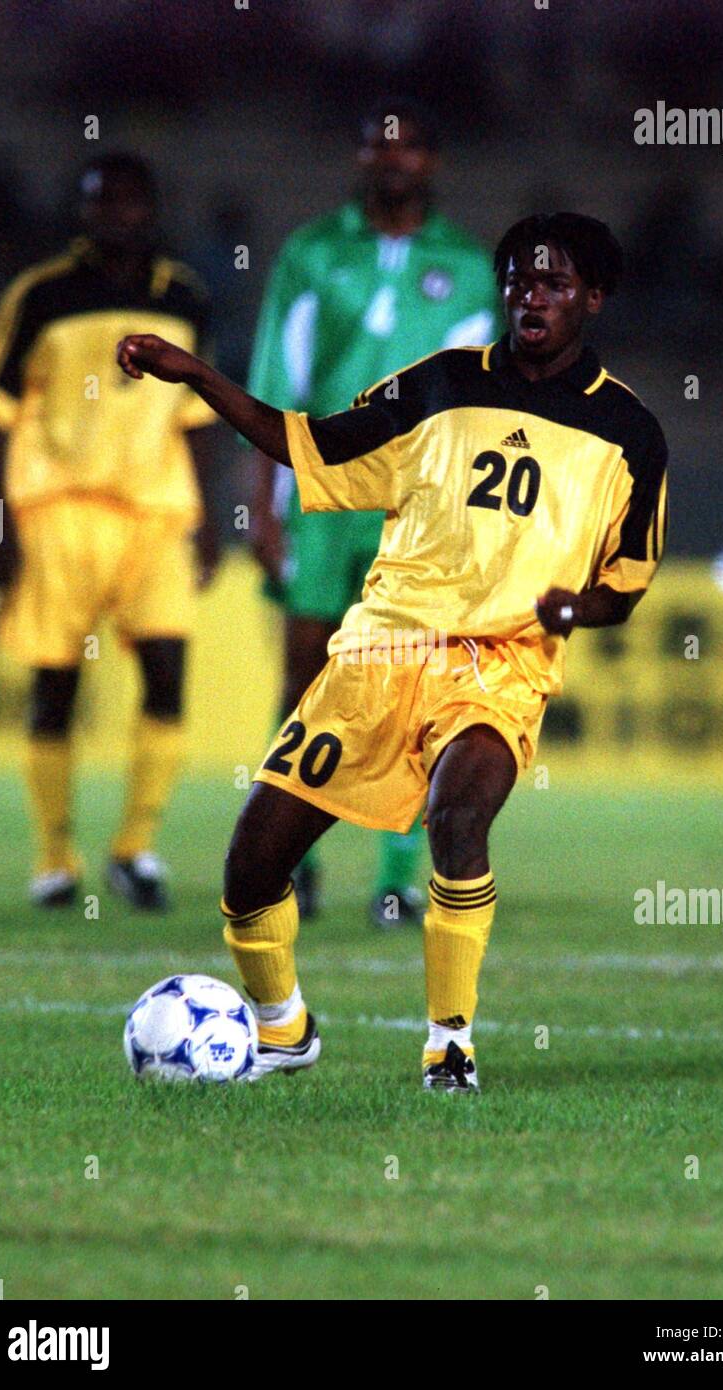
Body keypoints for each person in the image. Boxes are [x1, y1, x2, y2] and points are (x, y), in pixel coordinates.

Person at [116, 212, 669, 1091]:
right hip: (380, 653)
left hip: (501, 662)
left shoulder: (631, 434)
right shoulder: (438, 385)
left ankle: (449, 1044)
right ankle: (283, 1027)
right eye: (519, 282)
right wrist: (195, 376)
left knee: (459, 814)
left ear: (593, 299)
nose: (532, 297)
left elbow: (627, 584)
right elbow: (308, 444)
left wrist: (576, 605)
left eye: (555, 284)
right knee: (252, 868)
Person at [246, 100, 500, 924]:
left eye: (410, 146)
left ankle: (395, 878)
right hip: (320, 494)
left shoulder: (466, 266)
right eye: (378, 142)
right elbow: (275, 378)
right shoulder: (311, 253)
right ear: (359, 156)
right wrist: (262, 500)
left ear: (433, 161)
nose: (393, 159)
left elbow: (483, 399)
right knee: (308, 675)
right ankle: (298, 864)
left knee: (416, 688)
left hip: (424, 504)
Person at [0, 152, 219, 911]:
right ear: (82, 212)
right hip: (61, 512)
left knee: (169, 674)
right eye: (100, 200)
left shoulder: (187, 297)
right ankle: (54, 858)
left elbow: (200, 413)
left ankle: (135, 848)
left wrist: (207, 515)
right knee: (56, 686)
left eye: (130, 200)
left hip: (154, 512)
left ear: (152, 208)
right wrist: (0, 522)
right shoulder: (41, 294)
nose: (116, 213)